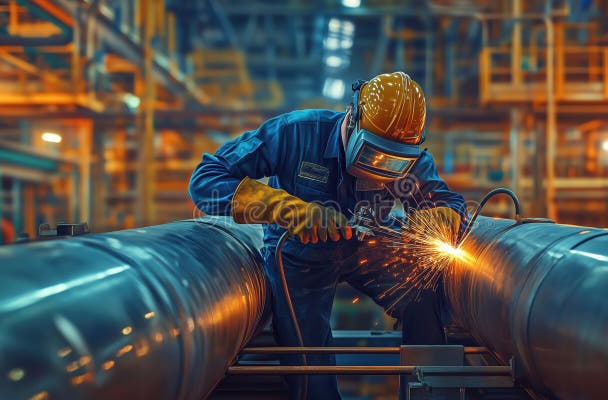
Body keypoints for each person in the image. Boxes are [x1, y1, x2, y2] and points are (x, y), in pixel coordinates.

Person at [189, 71, 466, 399]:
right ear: (352, 118)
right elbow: (205, 179)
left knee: (423, 295)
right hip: (298, 251)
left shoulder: (410, 157)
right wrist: (287, 208)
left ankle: (430, 392)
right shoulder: (297, 133)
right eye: (373, 153)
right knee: (307, 355)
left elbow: (445, 203)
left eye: (393, 162)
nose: (380, 167)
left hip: (371, 244)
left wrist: (440, 220)